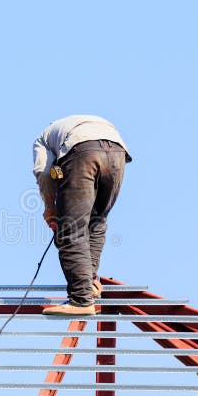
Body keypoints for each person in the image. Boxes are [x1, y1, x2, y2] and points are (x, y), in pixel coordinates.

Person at [33, 115, 131, 316]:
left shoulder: (43, 139)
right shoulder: (68, 129)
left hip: (82, 150)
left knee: (70, 229)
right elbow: (57, 172)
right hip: (117, 152)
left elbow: (45, 173)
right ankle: (90, 282)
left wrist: (50, 208)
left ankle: (81, 299)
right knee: (97, 220)